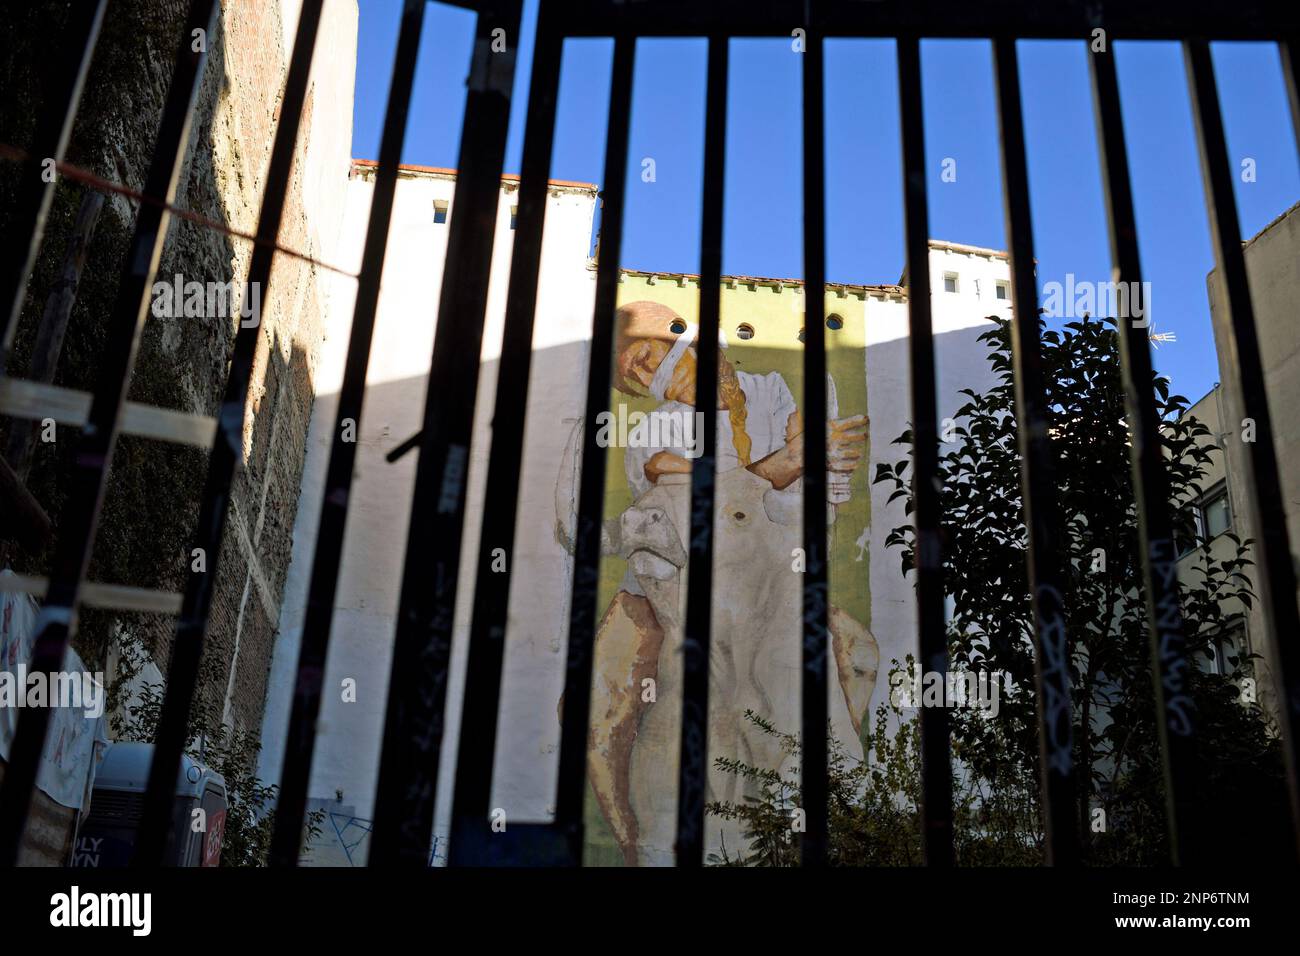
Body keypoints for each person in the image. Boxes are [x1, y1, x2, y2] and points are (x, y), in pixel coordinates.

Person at [575, 299, 876, 865]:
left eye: (646, 355)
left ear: (681, 336)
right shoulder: (655, 428)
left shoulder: (771, 391)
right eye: (635, 374)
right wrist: (785, 464)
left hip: (770, 570)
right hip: (676, 577)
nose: (647, 374)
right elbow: (697, 486)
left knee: (851, 658)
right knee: (603, 704)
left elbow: (796, 484)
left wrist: (823, 462)